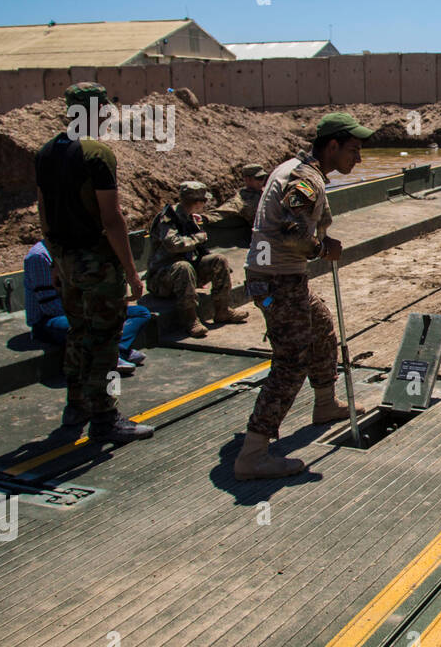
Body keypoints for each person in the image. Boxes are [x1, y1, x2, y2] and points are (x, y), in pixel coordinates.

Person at [235, 112, 370, 480]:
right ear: (332, 146)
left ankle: (325, 404)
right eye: (353, 150)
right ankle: (253, 454)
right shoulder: (306, 179)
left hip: (281, 276)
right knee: (291, 361)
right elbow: (292, 232)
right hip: (277, 280)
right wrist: (322, 247)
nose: (357, 159)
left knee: (322, 327)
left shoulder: (298, 168)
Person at [34, 82, 152, 441]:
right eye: (104, 109)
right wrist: (131, 272)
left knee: (78, 333)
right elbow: (112, 219)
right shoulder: (97, 154)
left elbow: (43, 212)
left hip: (67, 261)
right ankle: (105, 419)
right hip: (97, 264)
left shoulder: (45, 153)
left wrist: (56, 261)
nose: (107, 115)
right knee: (103, 339)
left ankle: (76, 407)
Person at [24, 240, 149, 375]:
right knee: (84, 325)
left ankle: (114, 351)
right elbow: (49, 306)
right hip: (49, 320)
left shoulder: (76, 248)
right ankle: (112, 354)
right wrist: (88, 312)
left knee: (140, 313)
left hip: (82, 309)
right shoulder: (39, 256)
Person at [146, 181, 249, 338]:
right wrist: (198, 237)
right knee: (183, 267)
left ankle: (223, 310)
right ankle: (190, 320)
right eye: (204, 201)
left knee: (218, 260)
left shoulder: (188, 217)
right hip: (161, 278)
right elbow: (173, 245)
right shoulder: (168, 218)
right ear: (198, 202)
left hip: (182, 273)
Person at [205, 164, 267, 228]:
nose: (262, 181)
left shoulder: (267, 191)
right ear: (248, 179)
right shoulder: (241, 199)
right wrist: (204, 218)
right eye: (259, 178)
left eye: (264, 177)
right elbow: (223, 211)